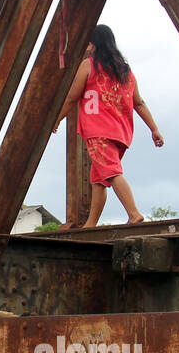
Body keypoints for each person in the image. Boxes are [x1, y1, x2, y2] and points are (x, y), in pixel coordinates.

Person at [54, 25, 164, 227]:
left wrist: (57, 119)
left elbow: (72, 97)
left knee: (111, 172)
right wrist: (154, 129)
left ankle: (134, 213)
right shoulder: (125, 71)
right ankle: (91, 224)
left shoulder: (89, 65)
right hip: (121, 132)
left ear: (93, 44)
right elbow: (138, 102)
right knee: (98, 179)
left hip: (98, 131)